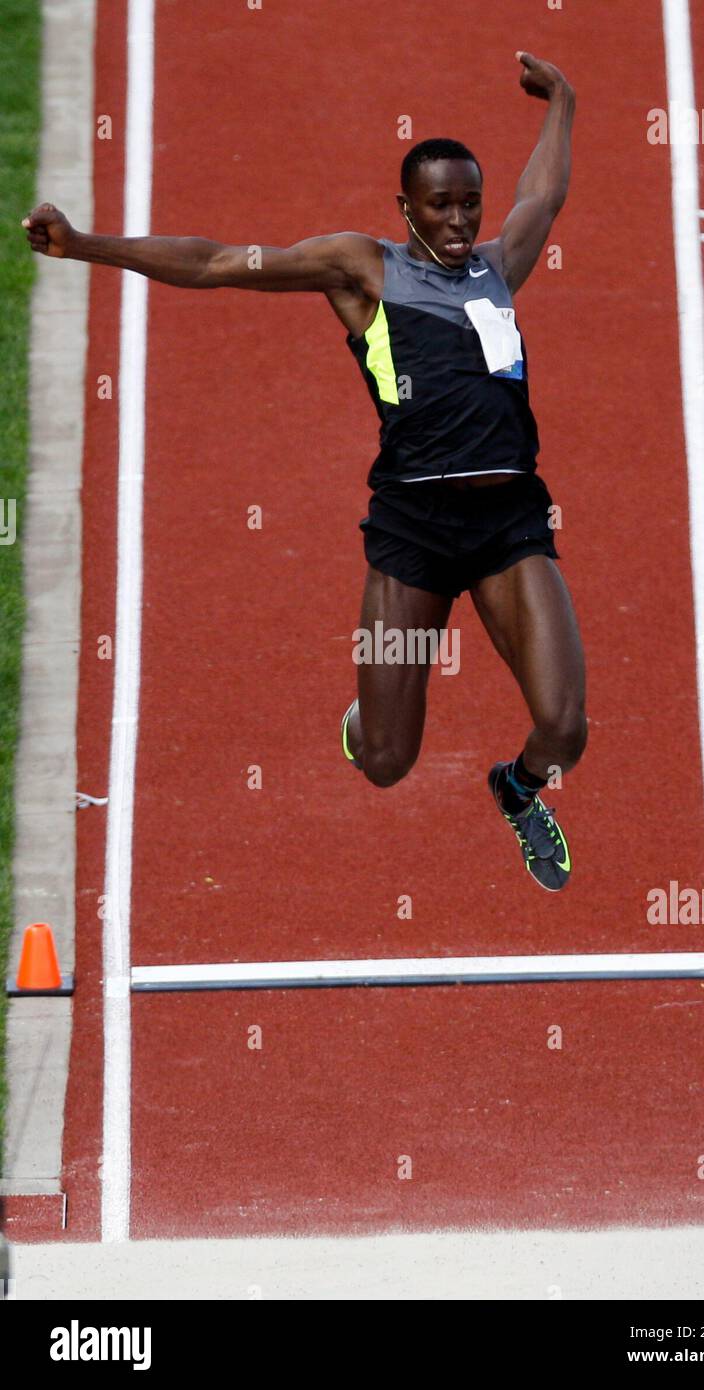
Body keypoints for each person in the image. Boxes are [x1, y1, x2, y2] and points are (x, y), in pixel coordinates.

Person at [23, 50, 586, 891]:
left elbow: (543, 194)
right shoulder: (364, 269)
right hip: (413, 534)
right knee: (390, 763)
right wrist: (85, 247)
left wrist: (564, 105)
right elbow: (216, 263)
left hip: (509, 521)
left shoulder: (498, 271)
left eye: (471, 201)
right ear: (407, 210)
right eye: (442, 205)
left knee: (565, 727)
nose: (462, 220)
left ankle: (517, 787)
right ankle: (370, 711)